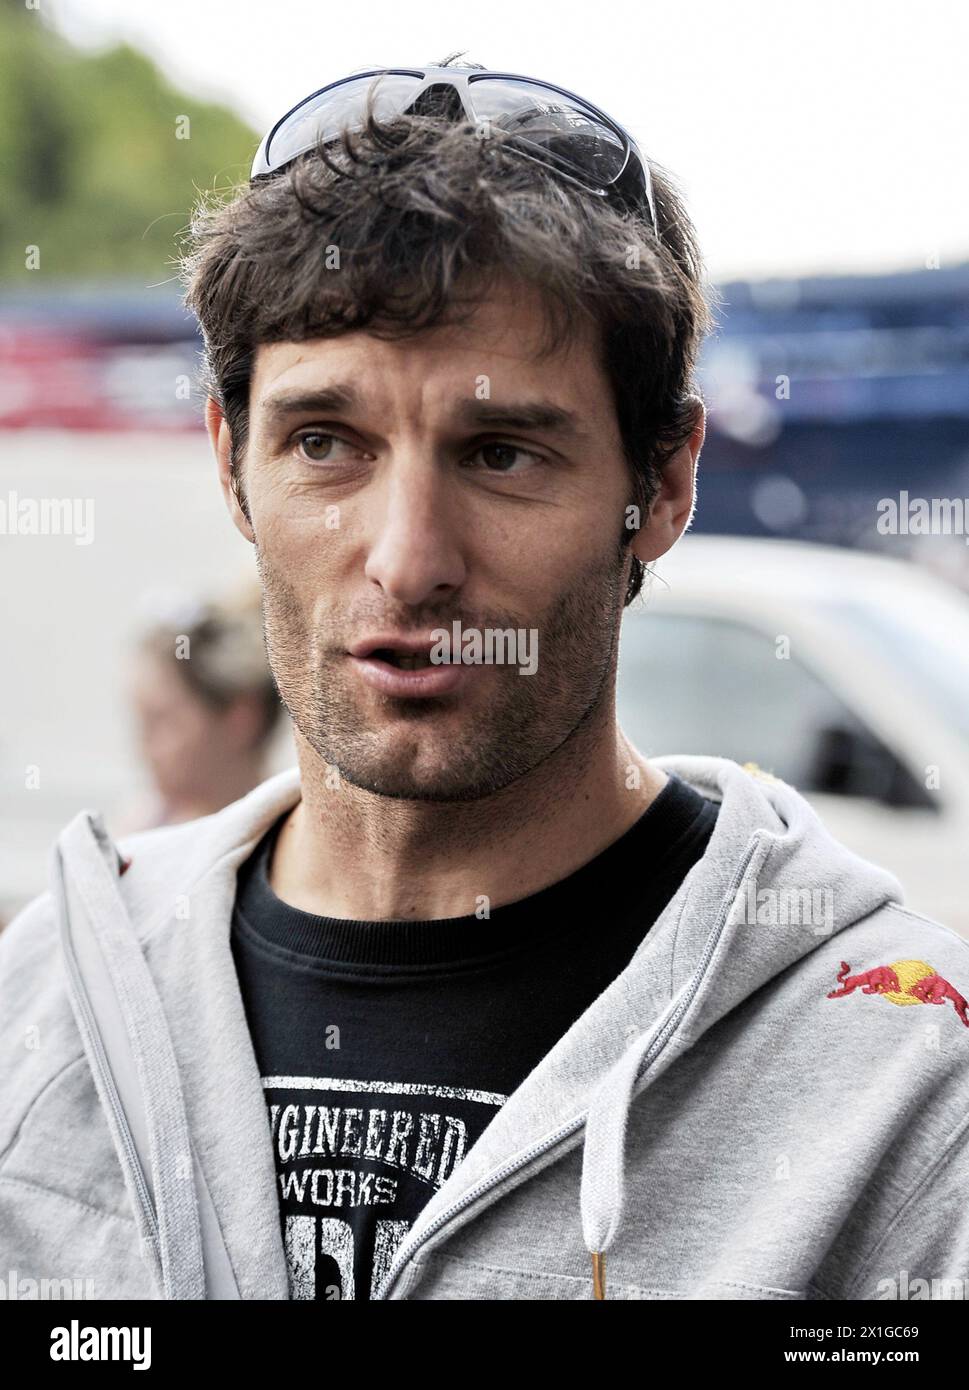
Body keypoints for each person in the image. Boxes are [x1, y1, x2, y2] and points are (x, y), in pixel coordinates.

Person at [2, 57, 968, 1305]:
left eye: (502, 451)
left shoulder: (896, 1083)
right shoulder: (51, 1009)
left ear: (663, 483)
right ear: (231, 465)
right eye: (325, 443)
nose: (408, 563)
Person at [121, 587, 286, 831]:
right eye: (142, 720)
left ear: (241, 719)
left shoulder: (282, 837)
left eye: (163, 720)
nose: (144, 746)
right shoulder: (139, 831)